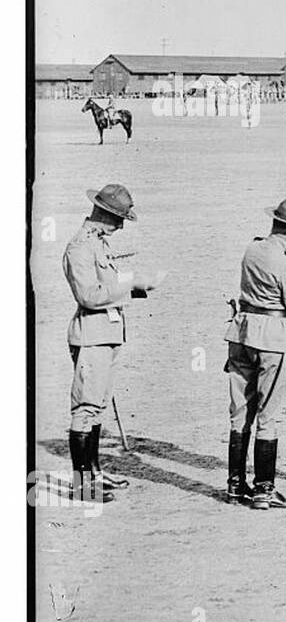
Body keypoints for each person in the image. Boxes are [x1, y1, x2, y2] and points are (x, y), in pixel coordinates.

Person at [225, 195, 286, 509]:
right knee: (269, 417)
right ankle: (264, 490)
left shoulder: (253, 248)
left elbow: (275, 273)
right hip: (273, 337)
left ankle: (235, 485)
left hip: (241, 333)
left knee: (240, 414)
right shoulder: (284, 262)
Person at [63, 184, 158, 504]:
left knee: (98, 405)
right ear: (103, 214)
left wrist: (137, 284)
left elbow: (107, 285)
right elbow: (89, 296)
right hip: (91, 336)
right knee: (85, 407)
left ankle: (95, 472)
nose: (120, 226)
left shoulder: (98, 244)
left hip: (107, 334)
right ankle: (82, 483)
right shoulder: (80, 248)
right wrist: (130, 287)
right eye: (118, 219)